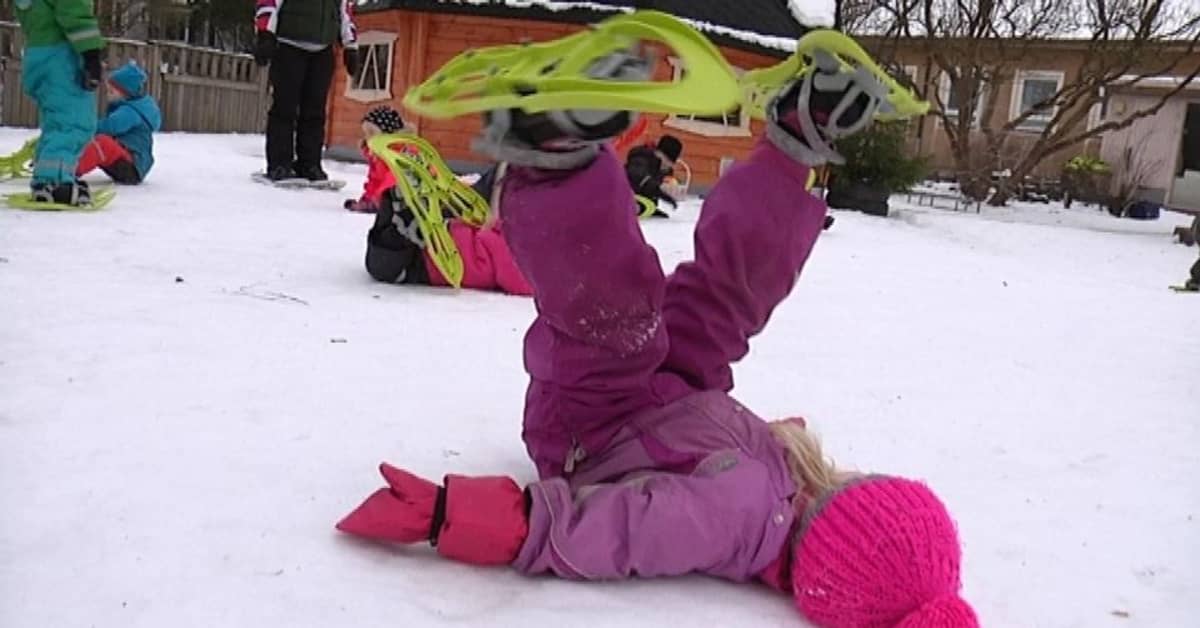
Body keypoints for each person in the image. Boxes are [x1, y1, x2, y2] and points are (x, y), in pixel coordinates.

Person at [337, 40, 978, 628]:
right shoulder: (782, 487)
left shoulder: (733, 518)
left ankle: (556, 159)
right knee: (728, 302)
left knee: (624, 323)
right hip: (673, 395)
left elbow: (613, 531)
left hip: (595, 427)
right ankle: (795, 141)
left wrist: (454, 516)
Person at [365, 162, 532, 296]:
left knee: (384, 263)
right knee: (384, 264)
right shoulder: (525, 253)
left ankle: (403, 211)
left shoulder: (517, 234)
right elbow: (518, 281)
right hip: (440, 253)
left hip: (442, 246)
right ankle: (405, 212)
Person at [253, 0, 359, 182]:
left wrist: (351, 45)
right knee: (284, 108)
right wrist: (266, 34)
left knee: (315, 112)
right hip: (288, 46)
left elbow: (344, 10)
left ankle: (310, 164)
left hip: (323, 50)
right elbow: (268, 2)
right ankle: (280, 164)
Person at [14, 0, 105, 205]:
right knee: (73, 123)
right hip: (61, 56)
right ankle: (53, 181)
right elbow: (74, 11)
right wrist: (91, 53)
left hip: (38, 53)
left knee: (56, 122)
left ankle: (52, 173)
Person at [76, 61, 162, 184]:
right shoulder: (127, 108)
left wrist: (86, 127)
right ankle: (57, 165)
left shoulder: (130, 112)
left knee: (102, 144)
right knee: (93, 143)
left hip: (132, 165)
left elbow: (110, 126)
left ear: (126, 94)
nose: (107, 95)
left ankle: (68, 172)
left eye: (111, 92)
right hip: (127, 161)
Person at [345, 105, 406, 213]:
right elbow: (375, 180)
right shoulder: (377, 154)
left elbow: (392, 181)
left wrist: (378, 202)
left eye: (371, 133)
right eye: (366, 133)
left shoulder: (399, 154)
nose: (367, 137)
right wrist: (367, 198)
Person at [625, 134, 682, 216]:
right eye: (667, 160)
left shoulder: (664, 170)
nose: (668, 164)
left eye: (671, 162)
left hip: (643, 202)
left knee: (647, 206)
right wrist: (660, 189)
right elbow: (641, 179)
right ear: (658, 153)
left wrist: (668, 196)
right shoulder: (641, 158)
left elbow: (653, 192)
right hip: (625, 194)